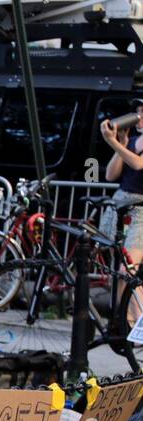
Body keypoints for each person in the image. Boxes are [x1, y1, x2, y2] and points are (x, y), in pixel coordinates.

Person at [101, 100, 143, 327]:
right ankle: (123, 322)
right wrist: (122, 145)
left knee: (127, 268)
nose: (138, 116)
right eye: (137, 111)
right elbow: (110, 175)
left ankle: (139, 323)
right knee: (120, 270)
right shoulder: (134, 141)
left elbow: (138, 165)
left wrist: (112, 143)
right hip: (120, 207)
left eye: (142, 112)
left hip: (141, 212)